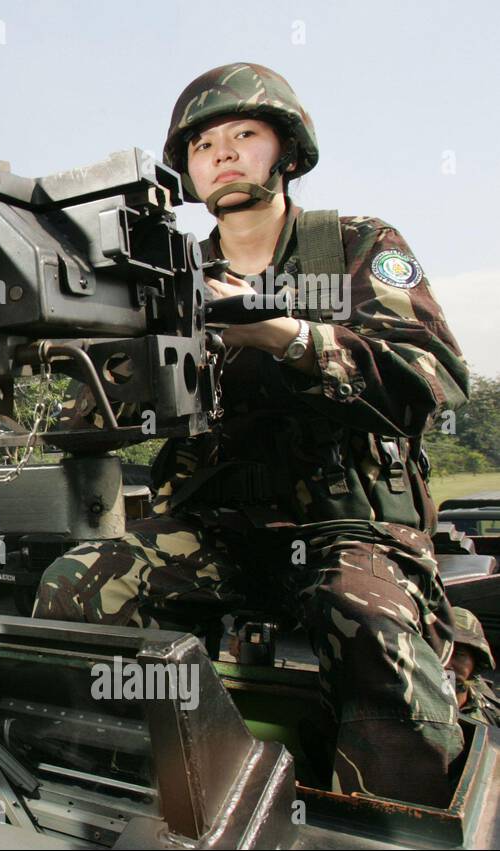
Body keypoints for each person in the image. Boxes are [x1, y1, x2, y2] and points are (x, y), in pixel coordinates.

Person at [36, 63, 473, 807]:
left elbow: (429, 377)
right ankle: (142, 798)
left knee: (369, 626)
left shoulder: (354, 244)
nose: (224, 154)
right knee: (75, 588)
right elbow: (97, 419)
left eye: (245, 135)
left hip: (351, 527)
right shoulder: (170, 276)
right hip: (222, 532)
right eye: (204, 145)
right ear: (189, 171)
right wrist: (73, 355)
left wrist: (288, 335)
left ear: (287, 152)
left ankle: (387, 849)